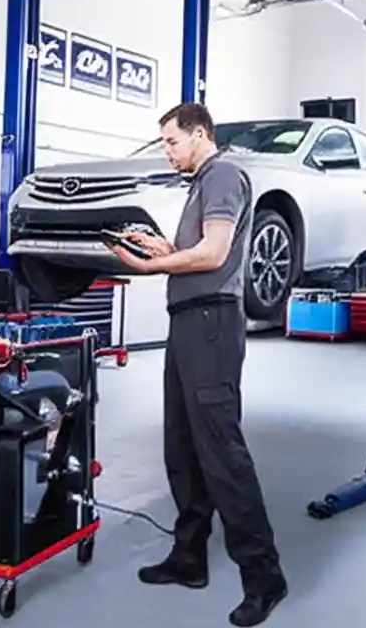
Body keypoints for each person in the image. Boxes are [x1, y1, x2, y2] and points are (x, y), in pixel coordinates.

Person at [108, 102, 287, 627]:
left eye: (171, 141)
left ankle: (264, 577)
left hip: (211, 325)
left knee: (221, 451)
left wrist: (153, 265)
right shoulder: (202, 184)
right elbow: (200, 252)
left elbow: (213, 254)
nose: (167, 152)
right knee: (182, 446)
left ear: (200, 134)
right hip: (188, 323)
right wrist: (165, 247)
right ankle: (189, 558)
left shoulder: (223, 175)